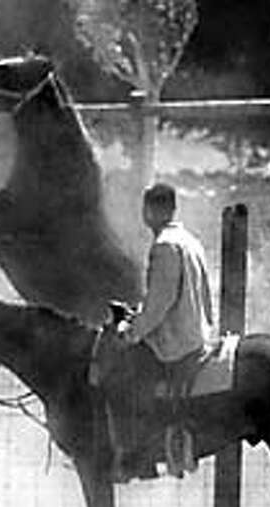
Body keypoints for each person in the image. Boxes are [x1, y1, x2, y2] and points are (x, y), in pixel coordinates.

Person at [108, 182, 215, 479]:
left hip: (175, 341)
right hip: (197, 333)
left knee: (120, 375)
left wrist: (130, 332)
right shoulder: (190, 240)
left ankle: (135, 455)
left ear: (149, 211)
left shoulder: (165, 246)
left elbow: (160, 303)